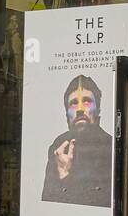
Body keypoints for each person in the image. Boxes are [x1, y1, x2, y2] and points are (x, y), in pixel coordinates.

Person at [41, 74, 113, 207]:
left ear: (98, 110)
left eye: (86, 101)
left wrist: (65, 176)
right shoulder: (58, 146)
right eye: (73, 103)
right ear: (66, 114)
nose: (80, 109)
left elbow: (103, 204)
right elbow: (48, 203)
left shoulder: (113, 148)